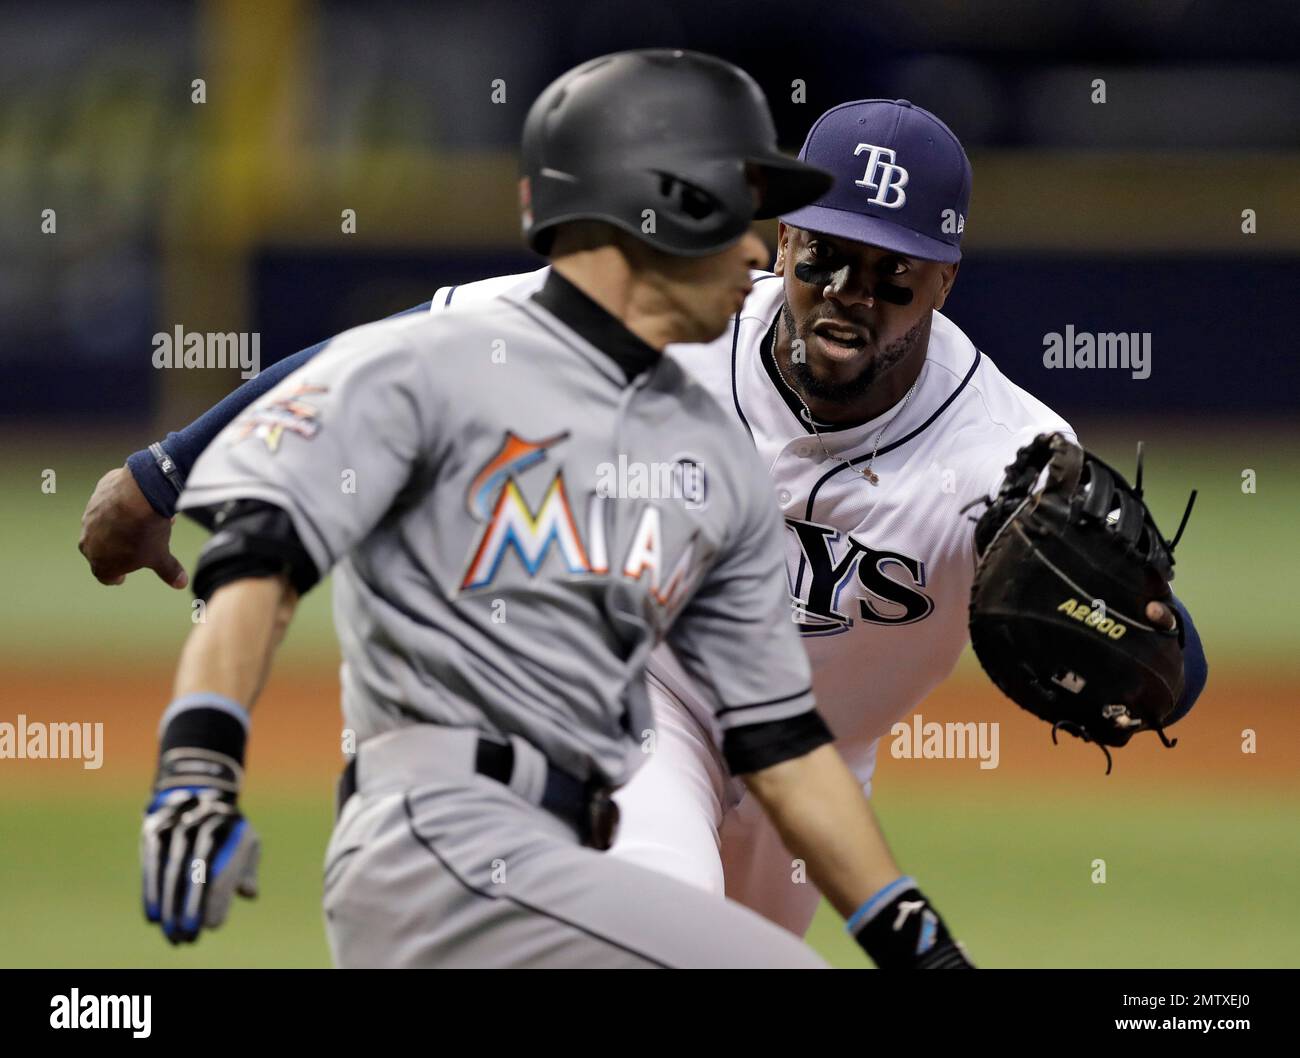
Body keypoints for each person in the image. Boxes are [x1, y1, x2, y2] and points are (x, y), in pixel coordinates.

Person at [88, 96, 1205, 953]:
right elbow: (383, 360)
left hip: (815, 766)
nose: (851, 292)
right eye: (828, 254)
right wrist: (161, 472)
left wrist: (1165, 660)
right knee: (658, 923)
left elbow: (1158, 656)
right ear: (780, 240)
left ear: (943, 283)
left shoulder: (1006, 452)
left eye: (894, 273)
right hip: (643, 699)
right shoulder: (667, 316)